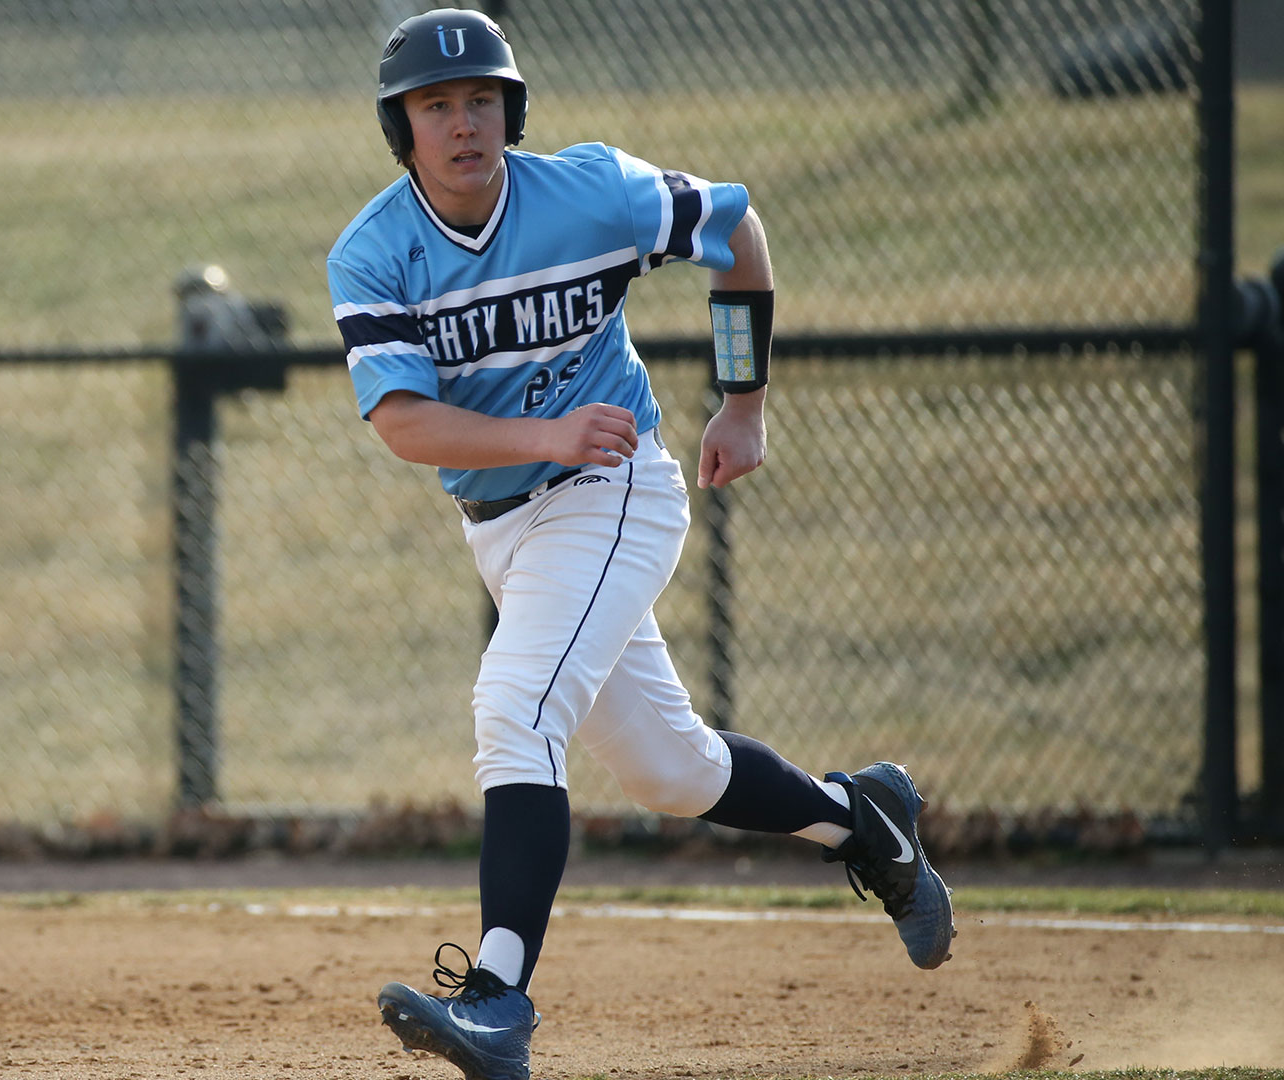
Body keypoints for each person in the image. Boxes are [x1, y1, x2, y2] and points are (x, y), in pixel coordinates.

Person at [325, 10, 955, 1080]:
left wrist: (742, 402)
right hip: (506, 523)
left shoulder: (591, 194)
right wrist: (538, 432)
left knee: (515, 711)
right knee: (676, 771)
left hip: (613, 487)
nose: (464, 123)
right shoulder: (375, 250)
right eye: (436, 107)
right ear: (404, 129)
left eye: (482, 98)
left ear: (511, 109)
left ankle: (497, 998)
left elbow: (736, 232)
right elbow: (402, 425)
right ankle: (866, 823)